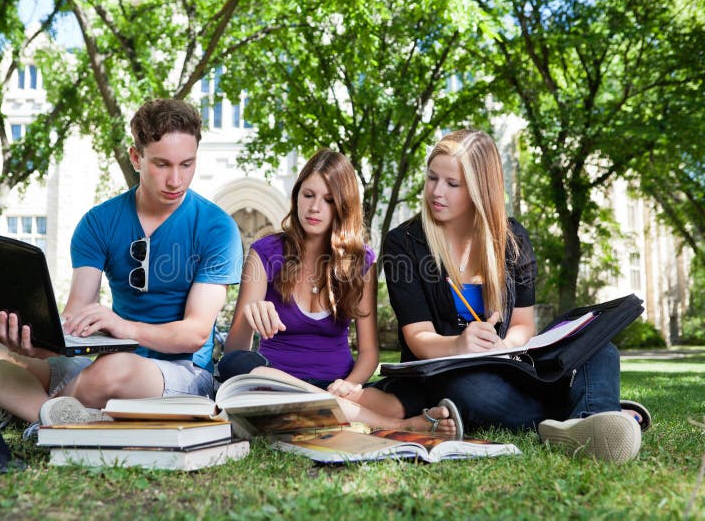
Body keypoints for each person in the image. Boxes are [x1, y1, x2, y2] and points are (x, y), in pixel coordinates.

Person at [0, 98, 243, 431]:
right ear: (135, 158)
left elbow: (195, 333)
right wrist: (42, 346)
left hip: (181, 373)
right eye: (162, 164)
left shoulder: (217, 228)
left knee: (112, 371)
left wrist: (125, 327)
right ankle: (54, 418)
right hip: (100, 366)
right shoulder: (99, 222)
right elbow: (76, 313)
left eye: (187, 164)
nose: (176, 180)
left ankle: (22, 409)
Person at [373, 128, 649, 462]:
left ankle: (586, 422)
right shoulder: (403, 243)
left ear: (480, 189)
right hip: (448, 374)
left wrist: (504, 346)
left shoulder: (512, 238)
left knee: (602, 350)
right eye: (432, 178)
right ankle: (593, 414)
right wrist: (459, 345)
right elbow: (418, 337)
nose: (436, 192)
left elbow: (522, 325)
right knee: (468, 392)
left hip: (511, 366)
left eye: (452, 184)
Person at [218, 149, 462, 438]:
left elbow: (369, 352)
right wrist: (250, 316)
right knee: (235, 367)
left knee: (404, 397)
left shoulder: (361, 263)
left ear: (343, 206)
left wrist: (350, 385)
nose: (314, 207)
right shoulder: (265, 253)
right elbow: (235, 350)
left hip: (338, 385)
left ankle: (323, 412)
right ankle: (395, 426)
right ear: (296, 196)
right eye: (308, 195)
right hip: (277, 384)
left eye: (329, 200)